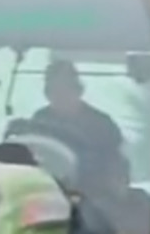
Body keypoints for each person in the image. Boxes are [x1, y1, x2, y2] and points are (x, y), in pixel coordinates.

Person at [29, 60, 129, 191]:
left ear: (78, 90)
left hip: (91, 198)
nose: (61, 95)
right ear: (47, 93)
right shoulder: (40, 120)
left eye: (66, 88)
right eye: (55, 90)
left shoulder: (102, 124)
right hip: (48, 191)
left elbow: (117, 165)